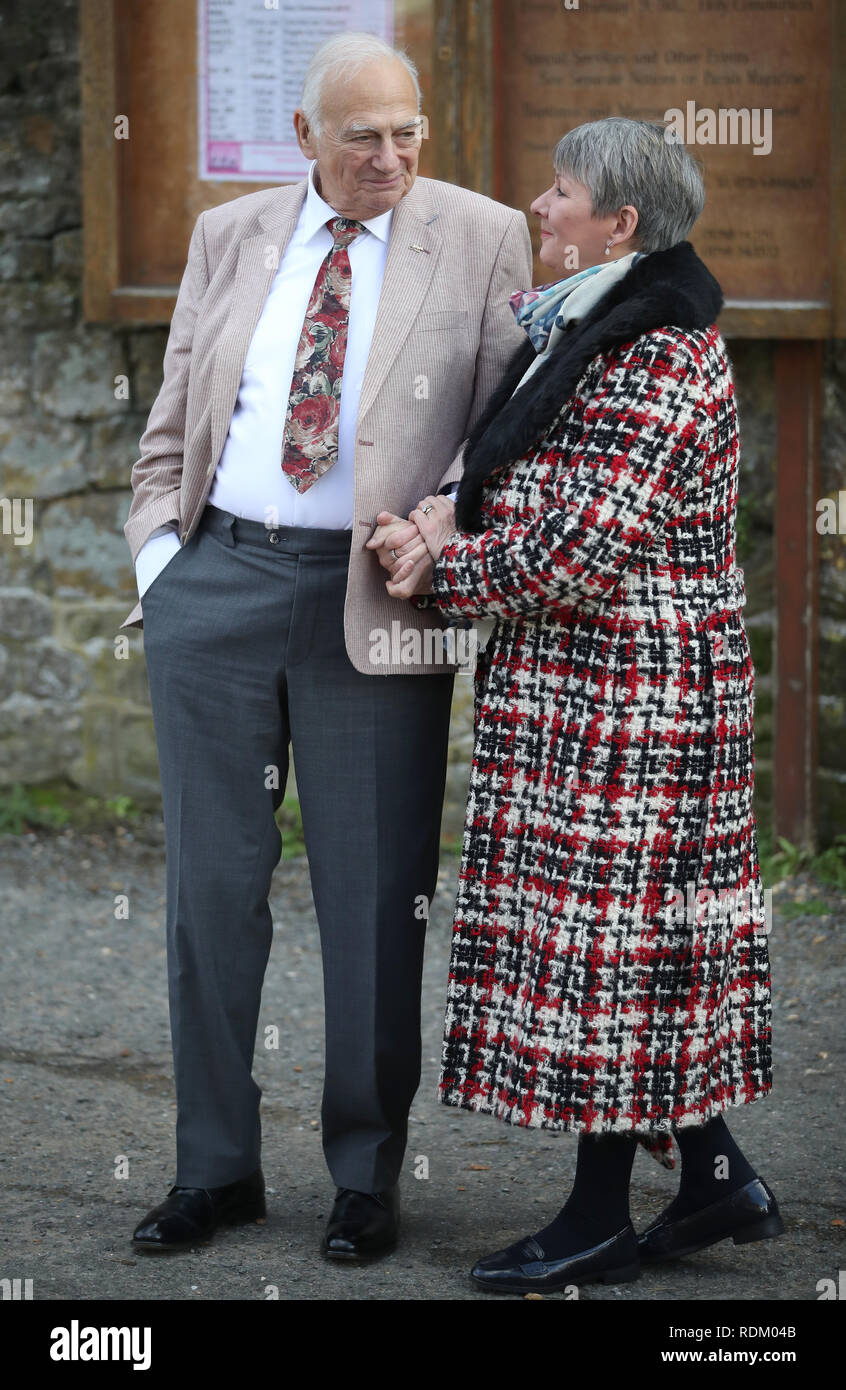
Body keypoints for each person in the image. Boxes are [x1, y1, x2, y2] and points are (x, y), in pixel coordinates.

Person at [121, 31, 531, 1261]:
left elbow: (506, 429)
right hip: (220, 591)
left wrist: (445, 519)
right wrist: (161, 563)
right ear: (304, 138)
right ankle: (214, 1170)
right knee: (208, 897)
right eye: (363, 136)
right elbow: (174, 416)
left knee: (372, 904)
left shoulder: (484, 235)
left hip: (380, 601)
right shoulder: (228, 236)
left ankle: (363, 1176)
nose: (391, 157)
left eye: (408, 132)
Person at [373, 116, 782, 1293]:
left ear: (623, 223)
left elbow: (582, 547)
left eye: (561, 194)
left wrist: (439, 570)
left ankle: (599, 1220)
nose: (538, 210)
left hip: (640, 697)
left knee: (612, 951)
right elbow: (530, 487)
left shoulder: (658, 348)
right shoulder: (595, 325)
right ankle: (715, 1178)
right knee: (629, 945)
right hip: (595, 688)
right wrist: (448, 520)